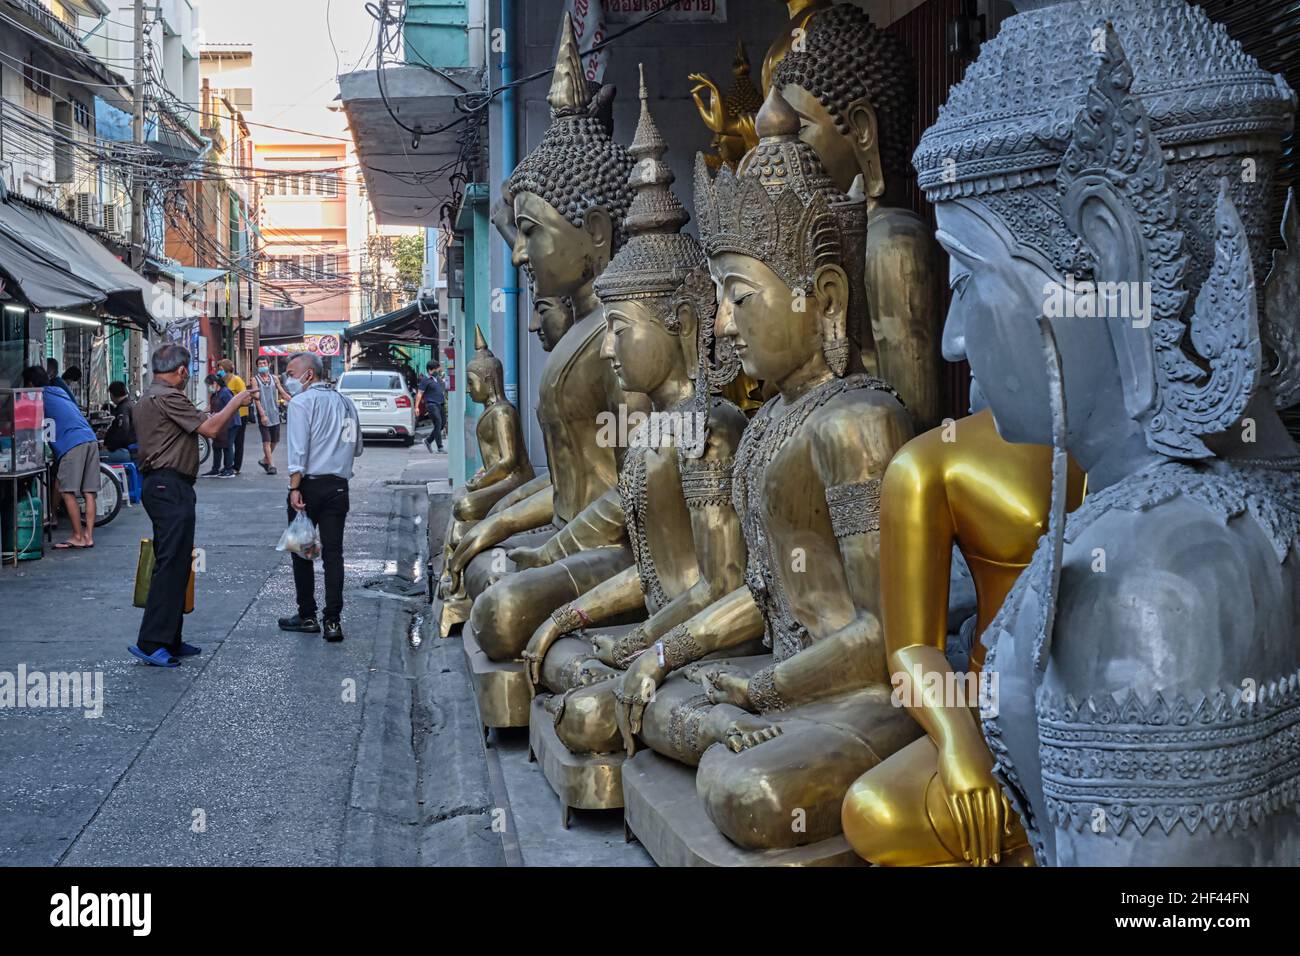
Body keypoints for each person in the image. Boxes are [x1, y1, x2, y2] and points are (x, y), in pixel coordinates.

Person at [131, 342, 254, 667]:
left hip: (167, 485)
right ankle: (152, 640)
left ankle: (170, 637)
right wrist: (239, 401)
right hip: (167, 485)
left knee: (178, 561)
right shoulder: (168, 396)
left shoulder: (148, 395)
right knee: (171, 563)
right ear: (182, 371)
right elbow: (211, 428)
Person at [278, 352, 362, 643]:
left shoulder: (302, 403)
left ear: (308, 374)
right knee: (333, 554)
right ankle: (333, 621)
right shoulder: (346, 403)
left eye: (290, 372)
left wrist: (294, 487)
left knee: (303, 552)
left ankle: (307, 615)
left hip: (308, 486)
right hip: (338, 487)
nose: (287, 378)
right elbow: (357, 447)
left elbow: (298, 452)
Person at [22, 366, 99, 549]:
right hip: (90, 439)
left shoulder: (37, 397)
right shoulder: (58, 391)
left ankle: (78, 536)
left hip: (72, 443)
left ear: (30, 383)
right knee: (89, 491)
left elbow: (25, 423)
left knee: (67, 491)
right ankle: (88, 536)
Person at [217, 359, 249, 475]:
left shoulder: (237, 380)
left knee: (238, 442)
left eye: (221, 369)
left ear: (226, 369)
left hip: (240, 414)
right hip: (228, 415)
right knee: (228, 441)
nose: (219, 372)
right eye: (218, 369)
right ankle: (227, 465)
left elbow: (245, 396)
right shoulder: (222, 381)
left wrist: (237, 405)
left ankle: (236, 466)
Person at [251, 357, 282, 474]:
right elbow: (256, 398)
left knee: (275, 440)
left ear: (269, 365)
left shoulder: (274, 378)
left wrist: (290, 398)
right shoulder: (255, 380)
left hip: (274, 412)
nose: (262, 365)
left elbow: (281, 391)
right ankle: (271, 465)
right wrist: (262, 414)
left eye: (264, 363)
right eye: (259, 364)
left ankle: (265, 460)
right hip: (263, 413)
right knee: (266, 441)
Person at [202, 374, 238, 477]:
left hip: (231, 423)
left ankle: (229, 469)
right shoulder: (215, 394)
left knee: (227, 445)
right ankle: (215, 469)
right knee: (216, 445)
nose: (208, 388)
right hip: (219, 424)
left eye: (209, 385)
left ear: (214, 383)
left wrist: (219, 414)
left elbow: (232, 406)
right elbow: (211, 406)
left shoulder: (225, 392)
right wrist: (201, 412)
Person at [102, 381, 137, 464]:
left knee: (96, 457)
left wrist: (109, 447)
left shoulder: (123, 408)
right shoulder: (129, 404)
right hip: (132, 450)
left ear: (112, 394)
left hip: (128, 451)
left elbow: (122, 431)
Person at [417, 362, 446, 452]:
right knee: (438, 422)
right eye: (436, 369)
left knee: (441, 425)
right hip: (432, 405)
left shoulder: (438, 379)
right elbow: (419, 394)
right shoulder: (425, 380)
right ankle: (440, 447)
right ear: (430, 370)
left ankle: (428, 440)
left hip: (441, 404)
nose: (438, 371)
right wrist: (416, 407)